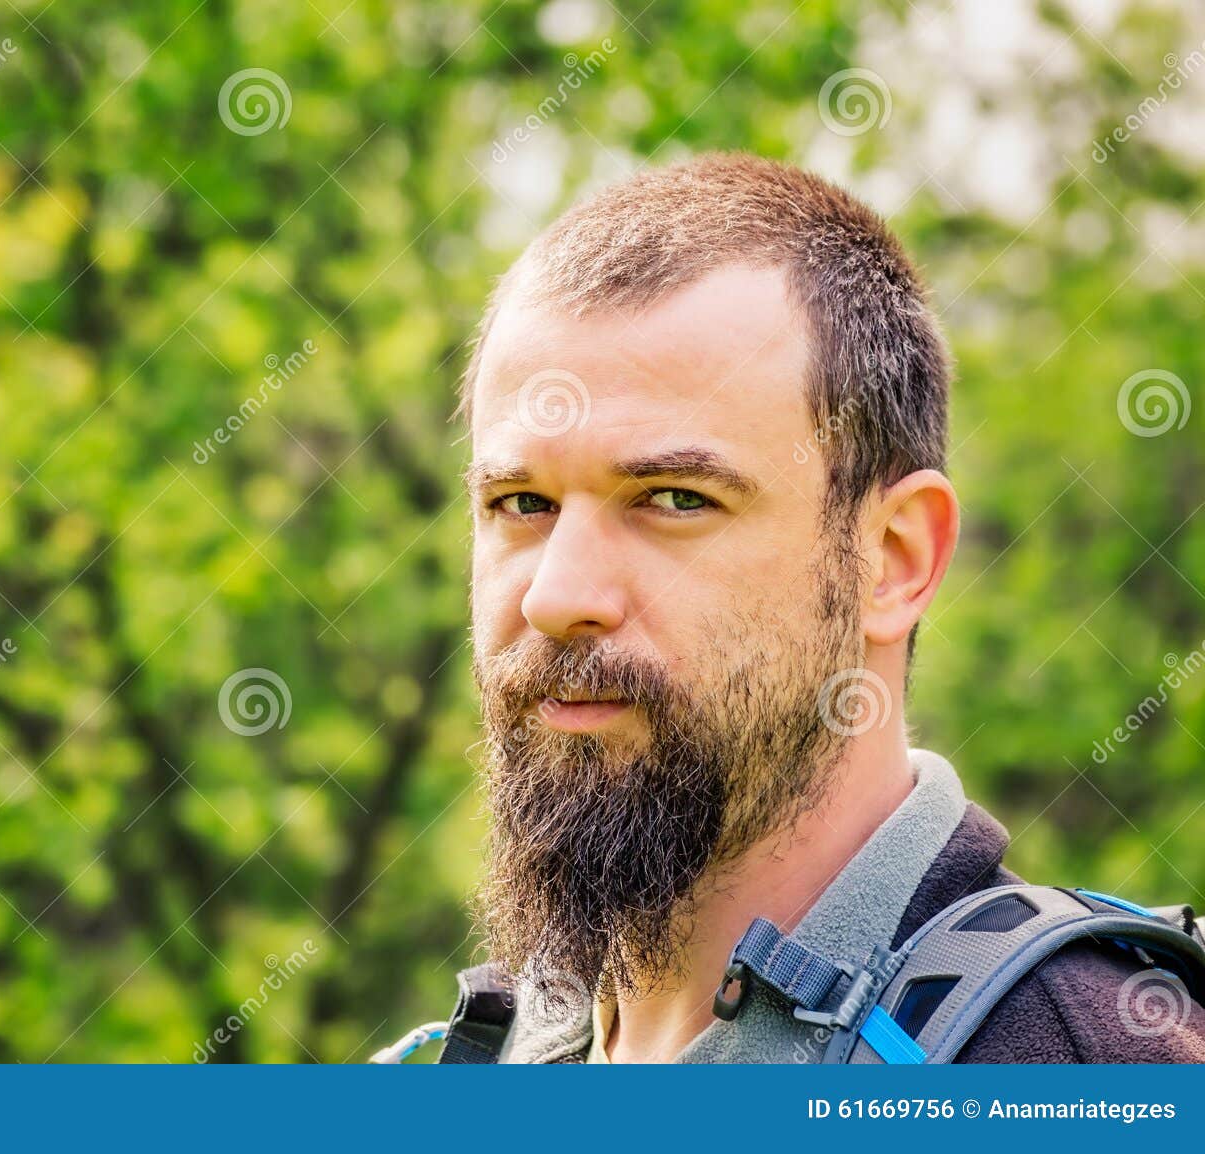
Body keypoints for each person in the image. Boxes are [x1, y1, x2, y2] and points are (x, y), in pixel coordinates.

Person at [439, 152, 1205, 1063]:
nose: (557, 596)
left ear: (893, 559)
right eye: (521, 503)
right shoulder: (472, 1061)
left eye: (676, 499)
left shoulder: (1091, 1063)